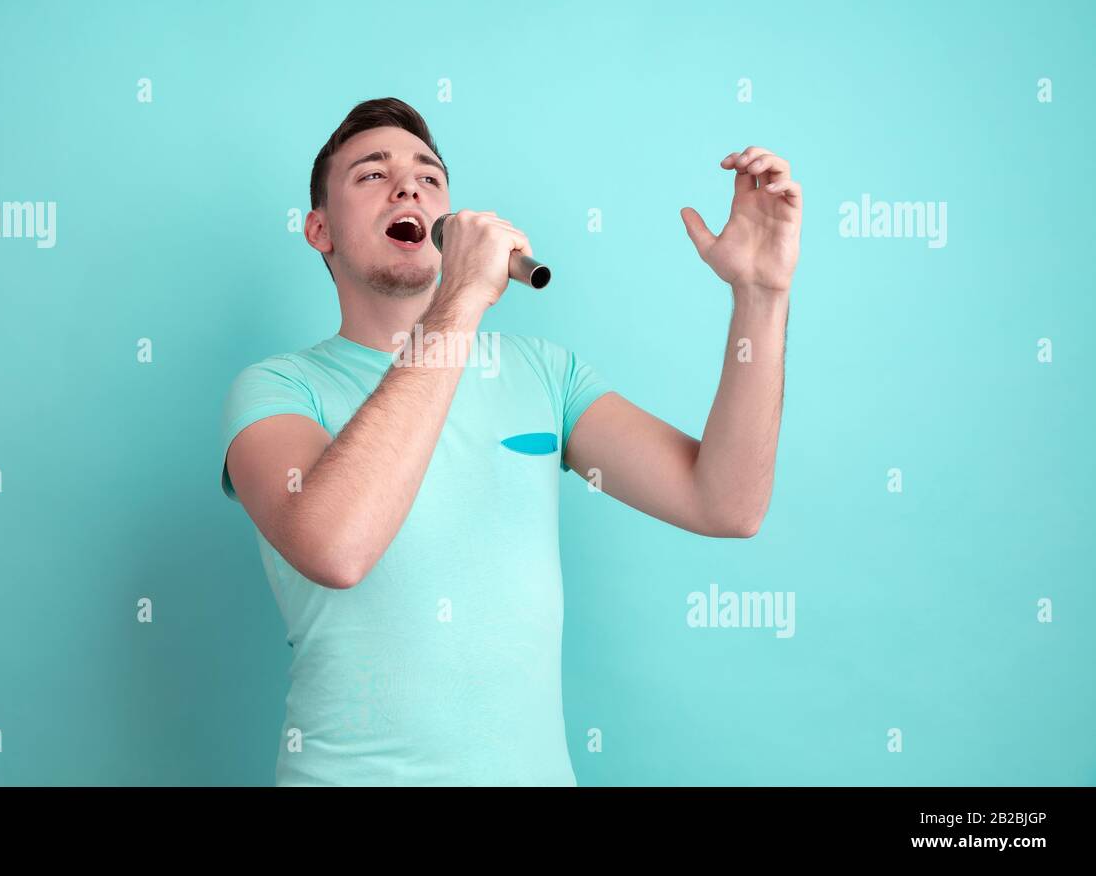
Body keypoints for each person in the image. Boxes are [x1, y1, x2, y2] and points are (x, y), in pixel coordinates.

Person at [218, 97, 802, 785]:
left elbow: (726, 504)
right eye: (372, 175)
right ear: (320, 229)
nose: (408, 186)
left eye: (429, 177)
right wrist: (460, 299)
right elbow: (336, 547)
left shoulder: (544, 374)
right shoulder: (277, 390)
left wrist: (761, 296)